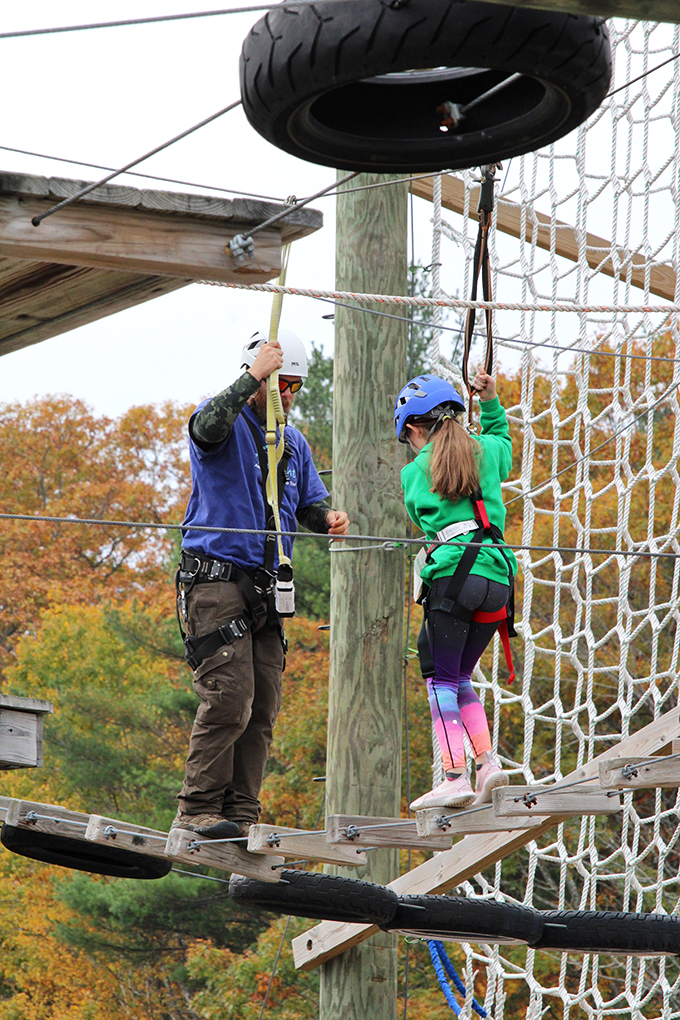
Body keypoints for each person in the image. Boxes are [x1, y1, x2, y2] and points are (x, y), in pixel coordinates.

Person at [172, 328, 349, 840]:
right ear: (258, 382)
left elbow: (306, 506)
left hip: (269, 589)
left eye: (295, 385)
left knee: (262, 707)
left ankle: (239, 815)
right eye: (280, 384)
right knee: (229, 697)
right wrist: (251, 377)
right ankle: (198, 809)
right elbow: (205, 427)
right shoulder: (224, 425)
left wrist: (328, 519)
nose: (289, 395)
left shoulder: (292, 443)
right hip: (218, 579)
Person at [395, 370, 518, 810]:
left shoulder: (414, 473)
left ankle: (453, 775)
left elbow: (423, 517)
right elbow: (502, 440)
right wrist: (491, 402)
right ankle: (486, 764)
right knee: (457, 674)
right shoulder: (486, 450)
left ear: (412, 428)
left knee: (441, 678)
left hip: (456, 578)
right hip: (499, 581)